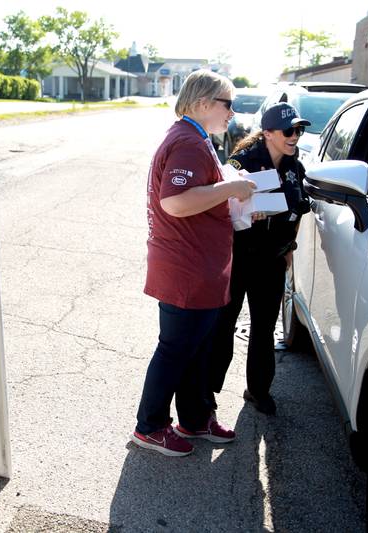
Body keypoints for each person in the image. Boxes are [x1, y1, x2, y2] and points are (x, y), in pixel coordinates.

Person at [131, 70, 257, 457]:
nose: (232, 114)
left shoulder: (195, 138)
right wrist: (230, 188)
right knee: (175, 349)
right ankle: (150, 426)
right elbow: (176, 201)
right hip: (186, 268)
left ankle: (193, 418)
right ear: (203, 103)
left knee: (197, 348)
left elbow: (196, 196)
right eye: (227, 104)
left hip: (199, 267)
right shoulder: (187, 142)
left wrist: (231, 193)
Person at [208, 102, 312, 416]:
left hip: (272, 259)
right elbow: (218, 206)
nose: (295, 136)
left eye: (299, 130)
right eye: (289, 131)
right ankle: (207, 392)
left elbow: (298, 208)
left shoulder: (295, 166)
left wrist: (290, 248)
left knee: (264, 328)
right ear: (267, 133)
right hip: (239, 255)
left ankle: (258, 390)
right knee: (224, 323)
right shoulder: (242, 162)